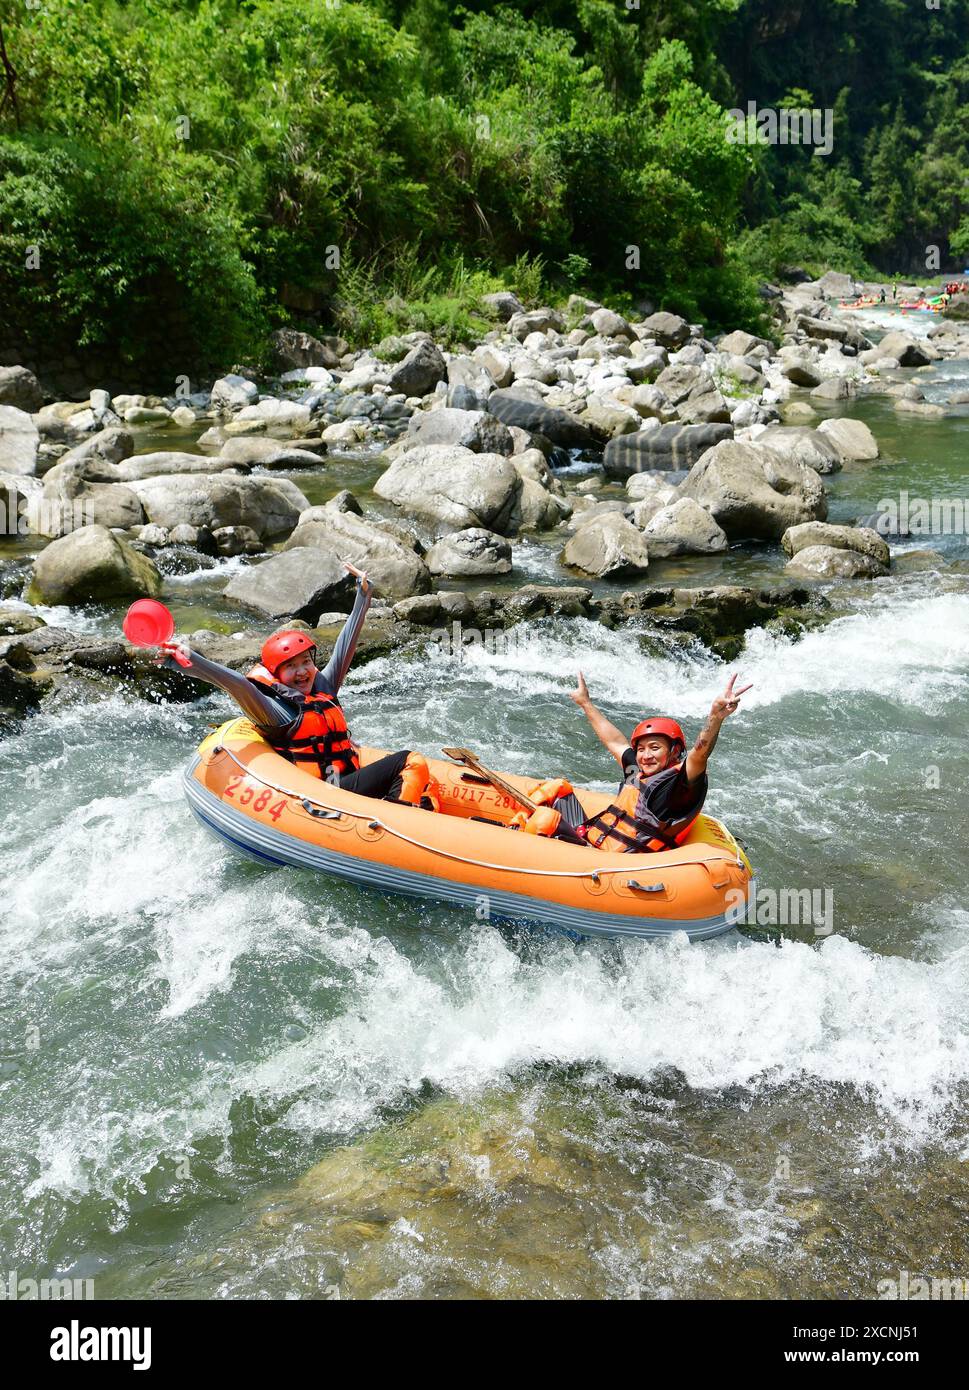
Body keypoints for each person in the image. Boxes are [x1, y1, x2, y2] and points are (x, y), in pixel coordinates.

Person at [160, 560, 436, 808]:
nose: (302, 671)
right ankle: (400, 822)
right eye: (290, 667)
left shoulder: (322, 687)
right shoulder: (276, 711)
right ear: (277, 675)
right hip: (323, 794)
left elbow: (345, 647)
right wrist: (189, 660)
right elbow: (237, 686)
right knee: (411, 761)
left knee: (429, 792)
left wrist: (363, 595)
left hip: (345, 782)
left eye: (305, 662)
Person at [549, 670, 752, 853]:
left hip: (615, 864)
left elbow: (700, 754)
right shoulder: (638, 772)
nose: (646, 755)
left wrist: (715, 716)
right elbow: (615, 742)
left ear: (674, 752)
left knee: (544, 821)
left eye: (655, 748)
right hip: (593, 843)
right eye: (641, 749)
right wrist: (585, 703)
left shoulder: (674, 789)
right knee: (557, 790)